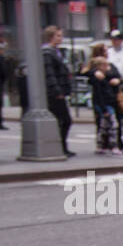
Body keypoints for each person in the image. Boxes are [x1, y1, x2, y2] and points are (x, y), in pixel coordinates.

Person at [81, 46, 123, 155]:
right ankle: (110, 144)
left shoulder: (111, 67)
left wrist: (117, 80)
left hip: (111, 98)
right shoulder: (96, 73)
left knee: (105, 124)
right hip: (104, 101)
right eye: (104, 50)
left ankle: (103, 144)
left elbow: (119, 77)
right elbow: (85, 73)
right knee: (110, 124)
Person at [41, 26, 74, 157]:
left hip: (59, 90)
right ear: (51, 37)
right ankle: (60, 146)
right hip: (54, 93)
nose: (61, 38)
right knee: (64, 120)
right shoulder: (47, 53)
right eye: (58, 36)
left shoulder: (56, 52)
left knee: (63, 120)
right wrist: (57, 90)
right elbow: (50, 74)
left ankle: (62, 146)